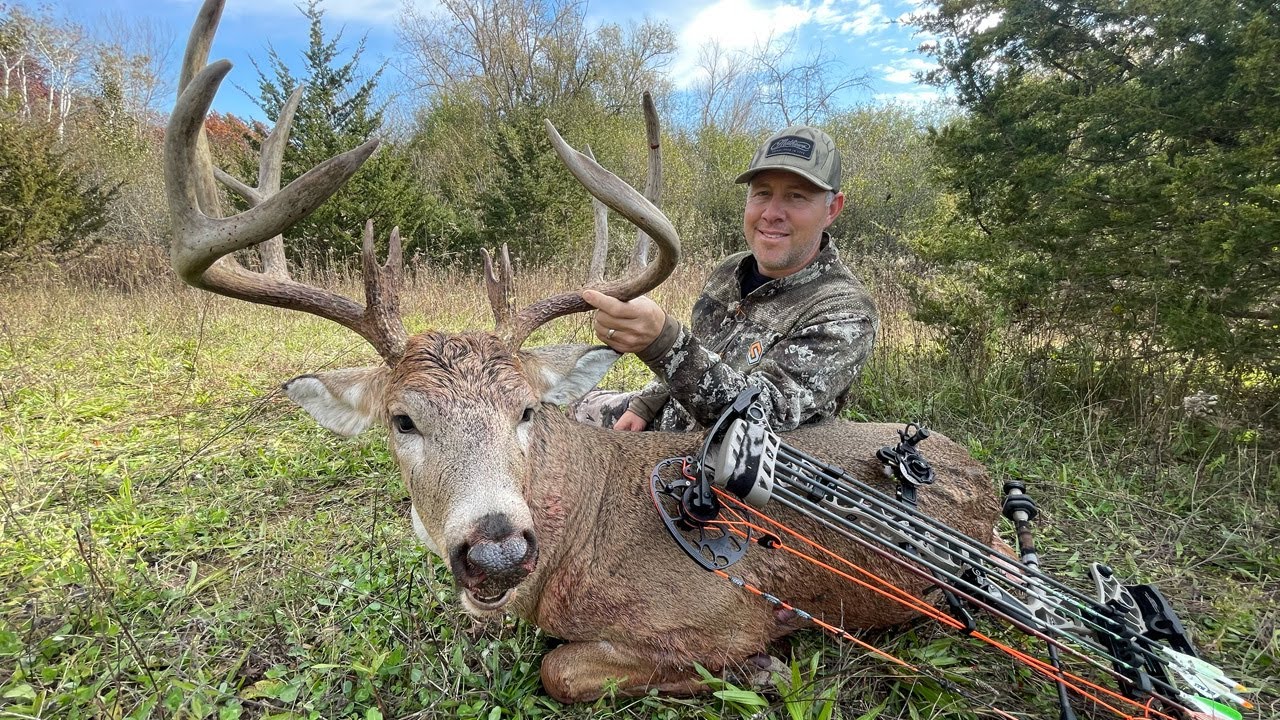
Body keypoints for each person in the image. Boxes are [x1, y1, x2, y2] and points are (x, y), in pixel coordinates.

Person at [575, 125, 879, 433]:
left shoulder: (844, 312)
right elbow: (699, 351)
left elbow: (758, 416)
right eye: (762, 193)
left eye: (796, 197)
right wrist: (646, 404)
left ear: (832, 209)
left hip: (721, 465)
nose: (772, 212)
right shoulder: (729, 272)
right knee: (571, 406)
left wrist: (662, 342)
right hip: (667, 421)